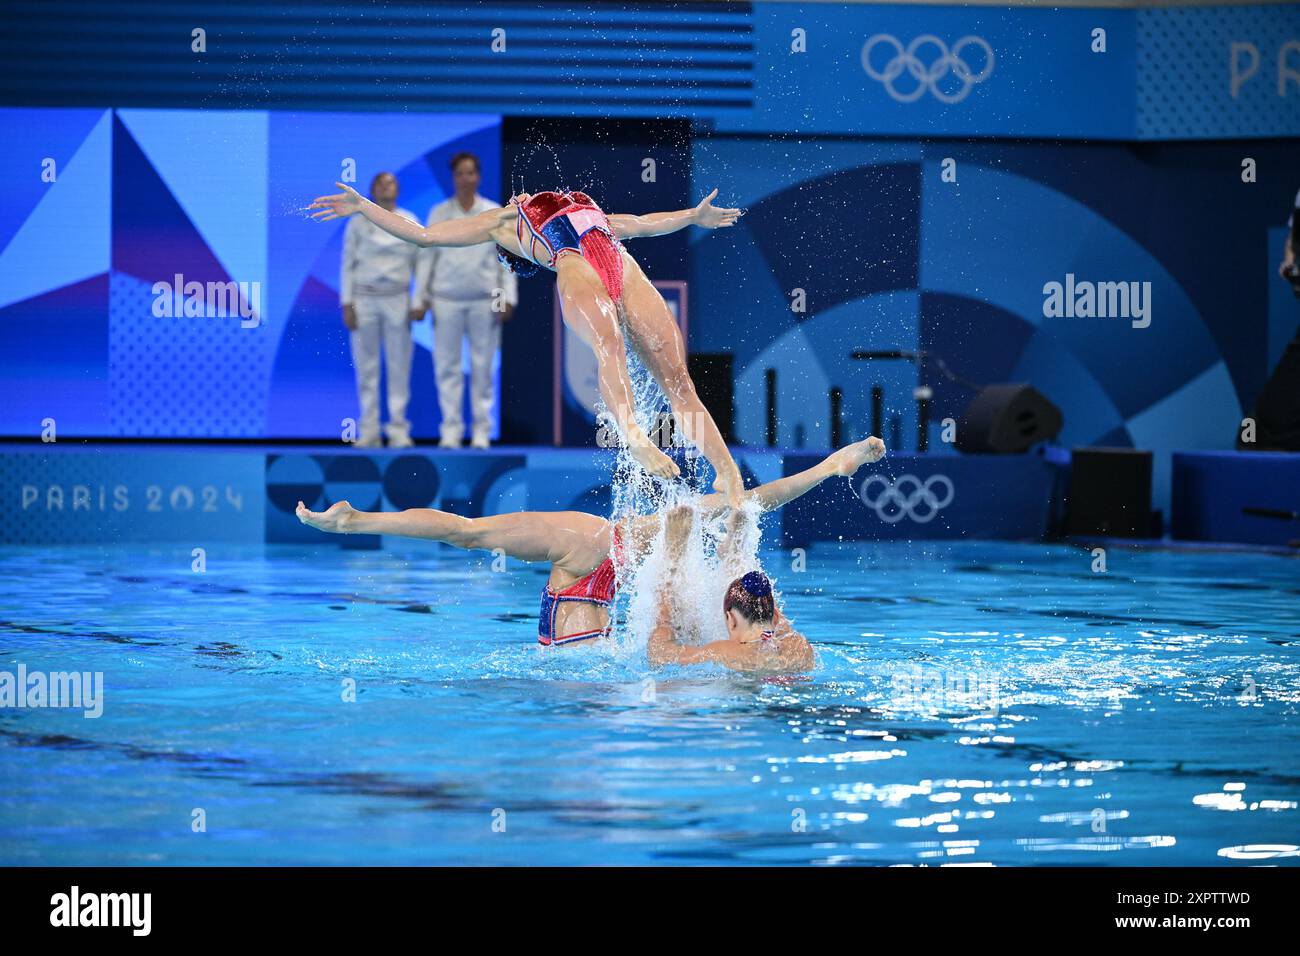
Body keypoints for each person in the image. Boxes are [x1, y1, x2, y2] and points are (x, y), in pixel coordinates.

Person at [309, 181, 746, 502]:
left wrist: (692, 216)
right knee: (608, 346)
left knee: (679, 380)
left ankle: (726, 471)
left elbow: (641, 224)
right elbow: (424, 237)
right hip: (577, 267)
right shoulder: (500, 223)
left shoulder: (591, 211)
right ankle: (633, 435)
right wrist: (364, 207)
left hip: (620, 260)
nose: (517, 196)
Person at [295, 436, 886, 657]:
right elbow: (462, 530)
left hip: (595, 675)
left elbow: (746, 501)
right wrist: (356, 522)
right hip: (584, 678)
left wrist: (830, 466)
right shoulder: (581, 540)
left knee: (725, 516)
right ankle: (352, 519)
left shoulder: (630, 542)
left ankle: (830, 467)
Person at [412, 152, 517, 450]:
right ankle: (451, 431)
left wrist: (506, 298)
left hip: (484, 300)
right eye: (460, 173)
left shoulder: (494, 212)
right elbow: (425, 258)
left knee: (483, 367)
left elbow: (506, 258)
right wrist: (419, 299)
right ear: (454, 177)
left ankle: (482, 431)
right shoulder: (438, 213)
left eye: (471, 172)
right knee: (447, 367)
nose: (466, 178)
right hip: (446, 299)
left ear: (478, 177)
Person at [647, 506, 813, 675]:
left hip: (747, 696)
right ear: (776, 616)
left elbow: (660, 653)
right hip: (779, 697)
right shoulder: (801, 649)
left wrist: (665, 620)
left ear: (731, 619)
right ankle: (735, 554)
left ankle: (678, 558)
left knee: (686, 634)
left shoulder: (725, 653)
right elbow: (767, 609)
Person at [339, 172, 420, 449]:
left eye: (392, 183)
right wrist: (347, 302)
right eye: (381, 183)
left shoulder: (409, 219)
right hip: (364, 300)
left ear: (398, 189)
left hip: (398, 298)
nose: (387, 187)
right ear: (372, 189)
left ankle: (398, 430)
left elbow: (421, 262)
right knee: (367, 367)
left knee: (399, 365)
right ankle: (369, 430)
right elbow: (348, 263)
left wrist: (418, 300)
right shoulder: (358, 222)